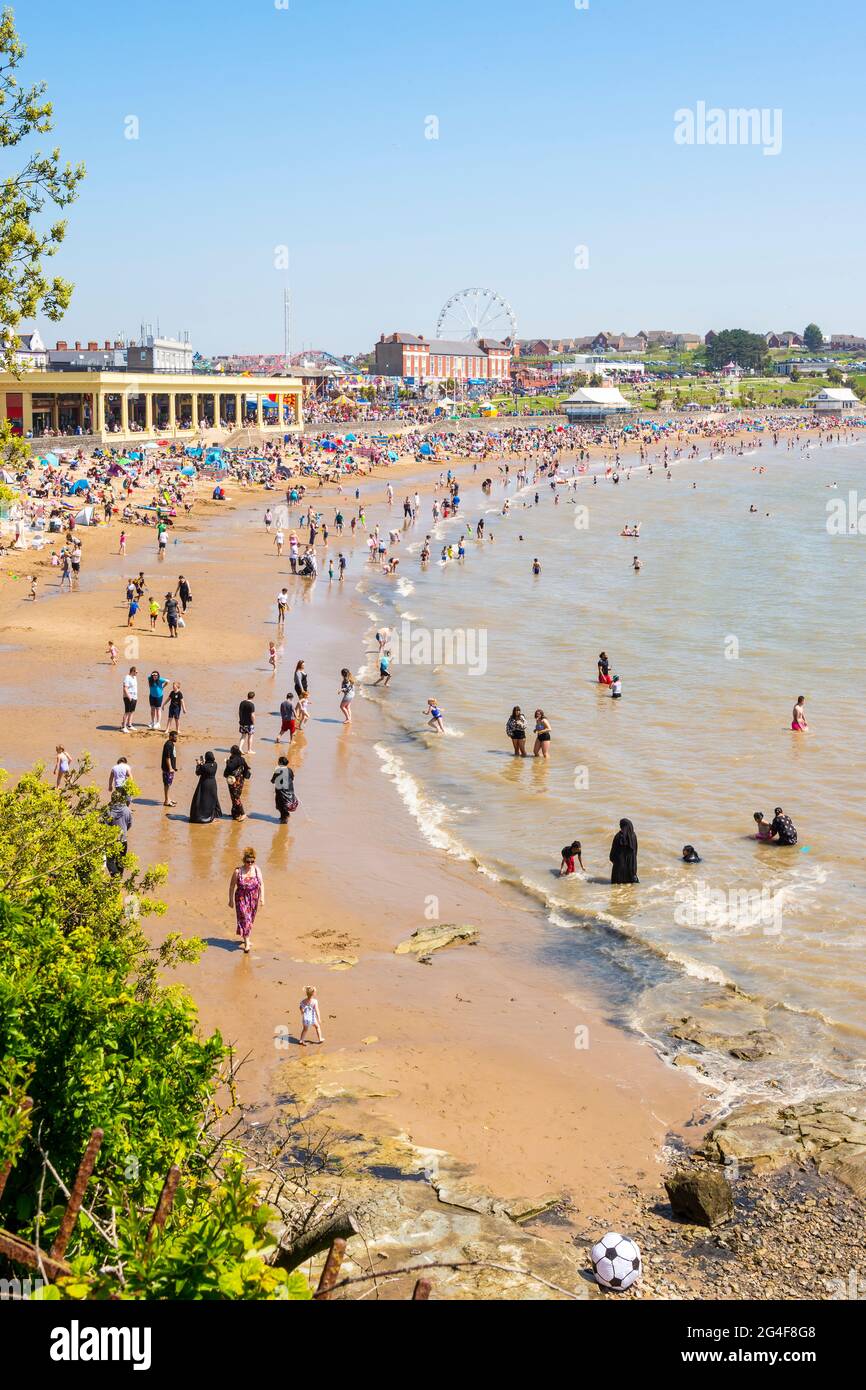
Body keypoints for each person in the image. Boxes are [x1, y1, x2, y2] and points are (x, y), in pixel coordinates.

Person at [228, 848, 263, 954]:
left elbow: (261, 884)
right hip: (241, 899)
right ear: (244, 860)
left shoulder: (256, 870)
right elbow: (232, 886)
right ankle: (247, 942)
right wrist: (230, 900)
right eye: (248, 861)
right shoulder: (238, 871)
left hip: (253, 899)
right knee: (245, 919)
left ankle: (246, 937)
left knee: (250, 920)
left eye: (252, 861)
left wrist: (262, 898)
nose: (250, 864)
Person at [104, 788, 132, 877]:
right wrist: (123, 831)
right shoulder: (127, 810)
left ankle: (115, 877)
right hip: (123, 840)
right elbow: (129, 824)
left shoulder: (108, 810)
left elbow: (104, 825)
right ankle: (119, 879)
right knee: (121, 861)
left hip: (111, 841)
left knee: (110, 861)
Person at [190, 751, 223, 823]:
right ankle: (212, 816)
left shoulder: (204, 766)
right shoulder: (215, 764)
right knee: (212, 800)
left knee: (202, 800)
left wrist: (198, 765)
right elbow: (208, 767)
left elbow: (197, 772)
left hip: (204, 784)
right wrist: (203, 764)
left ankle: (202, 815)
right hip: (213, 784)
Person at [224, 745, 252, 821]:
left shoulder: (233, 760)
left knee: (235, 797)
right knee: (235, 796)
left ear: (232, 752)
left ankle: (243, 813)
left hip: (234, 781)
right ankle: (235, 814)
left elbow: (229, 767)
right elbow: (247, 767)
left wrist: (227, 762)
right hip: (241, 780)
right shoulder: (242, 759)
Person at [610, 818, 639, 883]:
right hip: (631, 871)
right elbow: (635, 852)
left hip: (618, 872)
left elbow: (612, 855)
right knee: (629, 890)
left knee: (616, 891)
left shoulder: (618, 837)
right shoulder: (633, 836)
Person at [271, 756, 298, 822]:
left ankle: (284, 818)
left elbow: (272, 781)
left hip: (281, 792)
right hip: (289, 791)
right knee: (285, 805)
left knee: (281, 805)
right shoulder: (289, 770)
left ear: (280, 762)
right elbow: (292, 778)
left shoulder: (278, 770)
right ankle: (284, 816)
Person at [161, 730, 178, 807]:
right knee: (167, 784)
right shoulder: (168, 745)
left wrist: (174, 768)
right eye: (175, 737)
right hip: (167, 769)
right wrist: (170, 768)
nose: (176, 738)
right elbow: (167, 758)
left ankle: (168, 798)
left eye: (176, 737)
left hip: (170, 768)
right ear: (170, 736)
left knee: (169, 784)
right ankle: (166, 801)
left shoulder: (171, 744)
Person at [121, 667, 138, 732]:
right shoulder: (127, 677)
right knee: (127, 712)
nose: (137, 673)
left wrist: (136, 697)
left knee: (132, 711)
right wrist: (129, 697)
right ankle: (123, 727)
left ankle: (129, 725)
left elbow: (135, 688)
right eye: (136, 672)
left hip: (134, 697)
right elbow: (125, 688)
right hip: (128, 697)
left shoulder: (134, 677)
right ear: (132, 671)